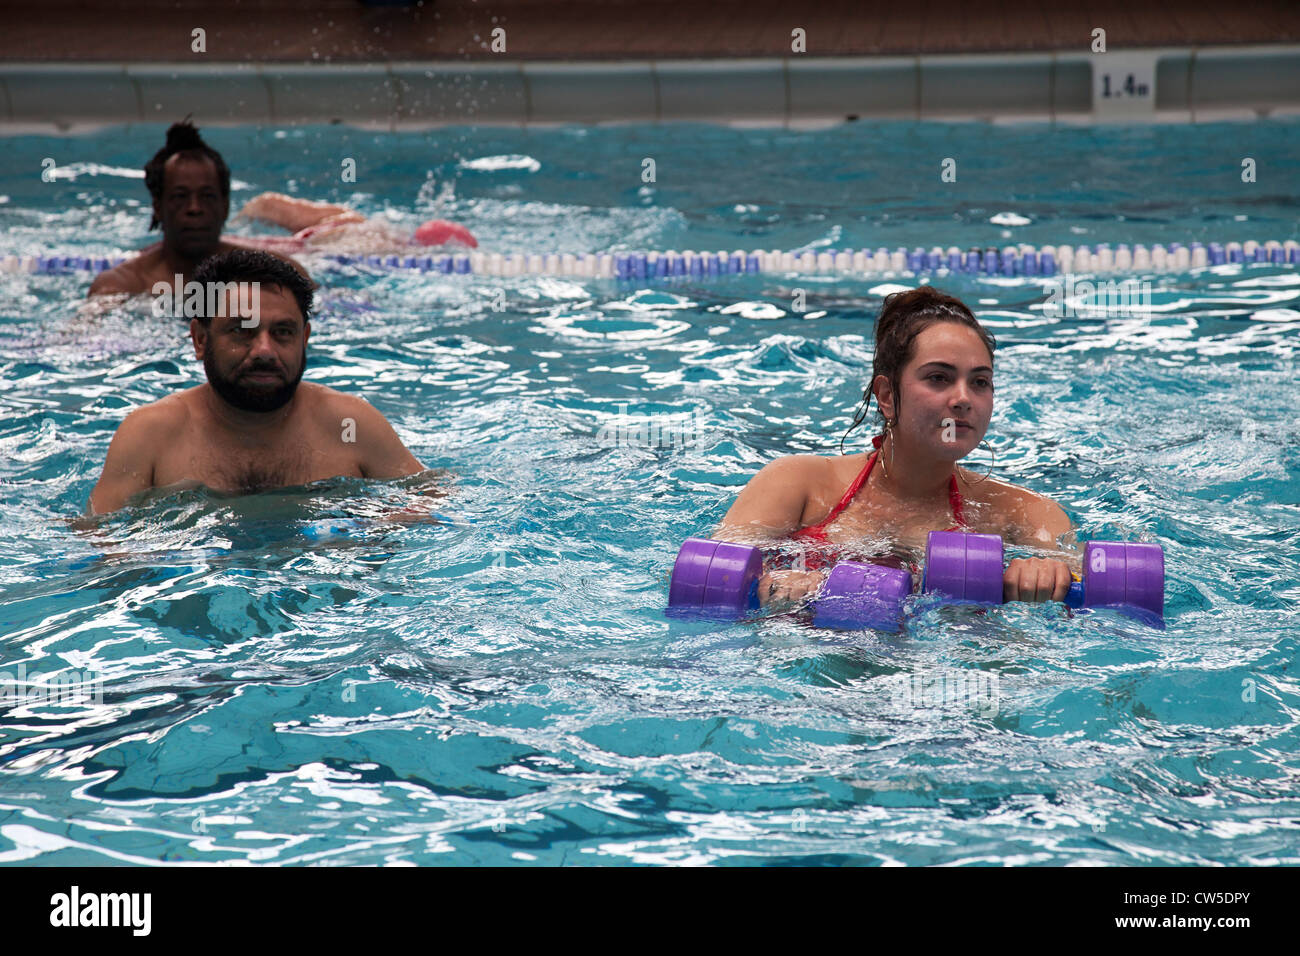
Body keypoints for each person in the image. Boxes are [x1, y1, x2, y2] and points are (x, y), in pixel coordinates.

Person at [715, 286, 1077, 608]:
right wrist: (773, 582)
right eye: (939, 378)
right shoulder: (799, 484)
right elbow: (708, 577)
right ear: (887, 396)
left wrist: (1047, 575)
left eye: (980, 381)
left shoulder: (1024, 515)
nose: (964, 399)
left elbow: (1095, 598)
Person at [87, 249, 426, 514]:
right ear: (200, 340)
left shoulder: (351, 424)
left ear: (304, 338)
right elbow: (100, 544)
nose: (265, 350)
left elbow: (434, 505)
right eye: (242, 331)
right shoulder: (150, 435)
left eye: (282, 332)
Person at [88, 120, 309, 298]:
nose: (194, 208)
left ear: (225, 206)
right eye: (180, 197)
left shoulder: (278, 276)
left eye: (207, 196)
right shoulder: (122, 286)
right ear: (157, 206)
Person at [231, 191, 477, 257]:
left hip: (311, 239)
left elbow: (263, 204)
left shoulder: (353, 218)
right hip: (306, 251)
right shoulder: (390, 251)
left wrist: (237, 221)